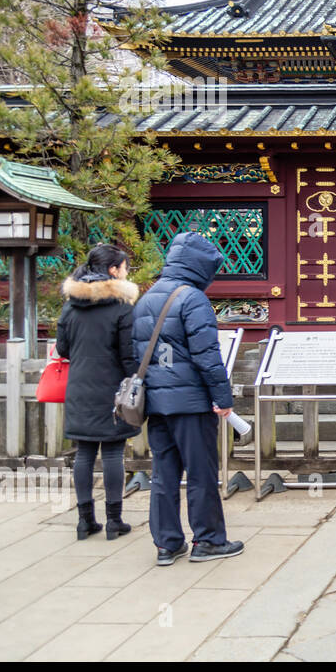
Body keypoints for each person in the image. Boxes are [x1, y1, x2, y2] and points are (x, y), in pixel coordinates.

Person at [133, 231, 244, 566]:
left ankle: (167, 544)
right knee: (200, 473)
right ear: (200, 268)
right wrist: (222, 398)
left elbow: (135, 354)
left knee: (164, 474)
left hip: (156, 403)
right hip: (191, 403)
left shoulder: (147, 298)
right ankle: (208, 539)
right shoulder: (192, 299)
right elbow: (207, 356)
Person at [55, 244, 139, 541]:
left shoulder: (70, 304)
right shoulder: (121, 307)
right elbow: (129, 356)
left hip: (79, 387)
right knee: (114, 451)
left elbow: (62, 349)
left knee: (84, 453)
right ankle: (114, 521)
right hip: (111, 389)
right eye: (125, 267)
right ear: (114, 270)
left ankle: (84, 521)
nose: (126, 272)